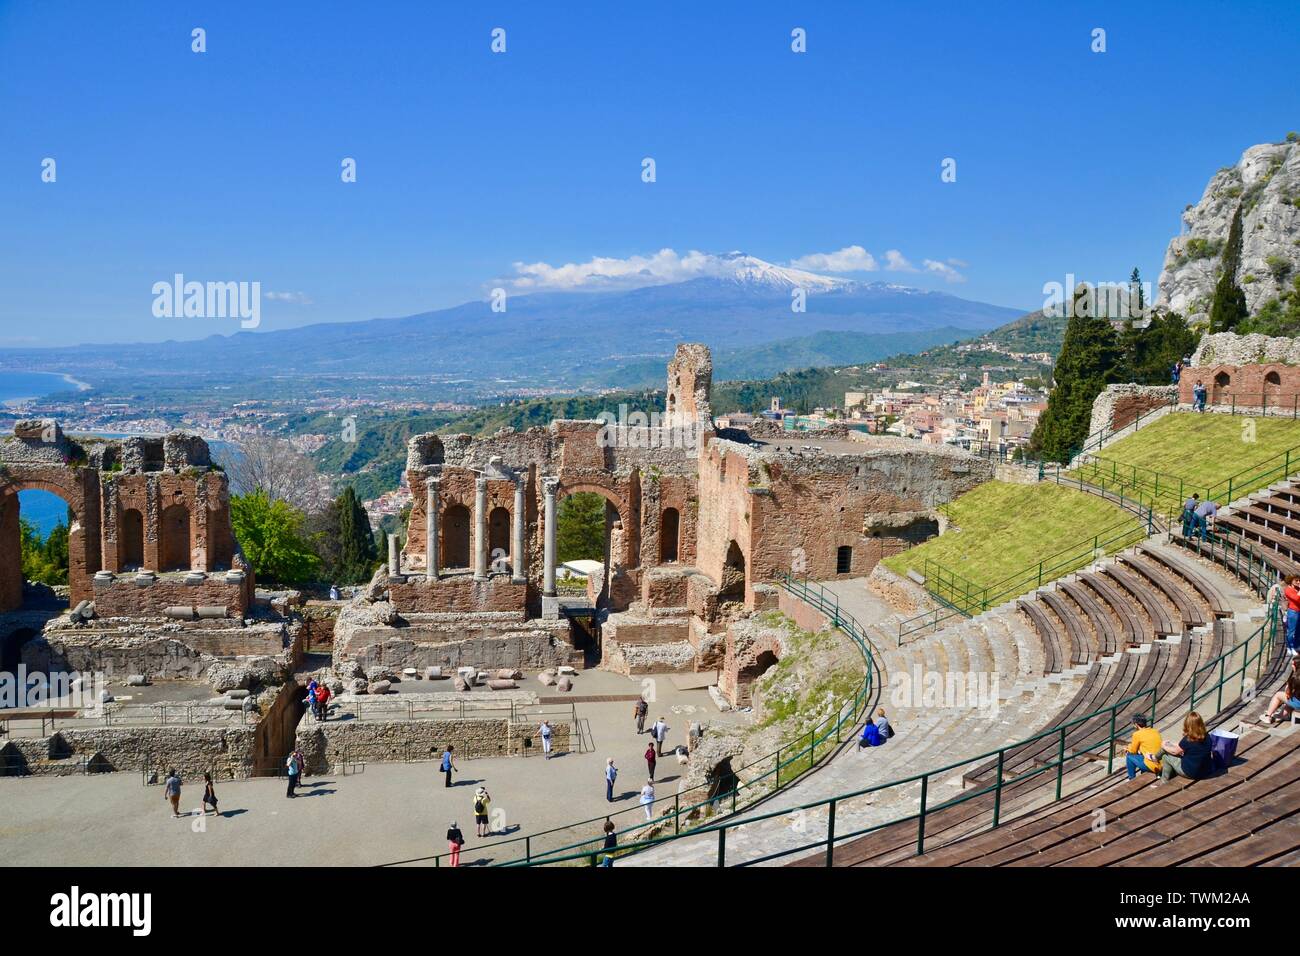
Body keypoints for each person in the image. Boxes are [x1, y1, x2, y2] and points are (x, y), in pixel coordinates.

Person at [1155, 712, 1212, 784]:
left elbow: (1175, 752)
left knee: (1166, 756)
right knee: (1169, 748)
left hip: (1191, 773)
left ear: (1187, 724)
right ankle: (1155, 758)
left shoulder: (1188, 739)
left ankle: (1163, 781)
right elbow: (1182, 746)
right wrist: (1170, 744)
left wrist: (1163, 745)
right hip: (1205, 771)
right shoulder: (1207, 736)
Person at [1125, 713, 1162, 779]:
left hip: (1153, 765)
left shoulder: (1137, 734)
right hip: (1162, 764)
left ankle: (1131, 778)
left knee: (1129, 756)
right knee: (1141, 753)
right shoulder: (1155, 731)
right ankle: (1143, 772)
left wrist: (1127, 748)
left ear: (1136, 724)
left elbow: (1133, 751)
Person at [1285, 575, 1300, 657]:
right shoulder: (1288, 590)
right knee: (1291, 631)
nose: (1298, 582)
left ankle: (1296, 646)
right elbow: (1297, 599)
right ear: (1291, 581)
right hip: (1293, 612)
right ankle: (1289, 647)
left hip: (1299, 611)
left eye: (1299, 580)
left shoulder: (1297, 589)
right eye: (1296, 580)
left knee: (1298, 630)